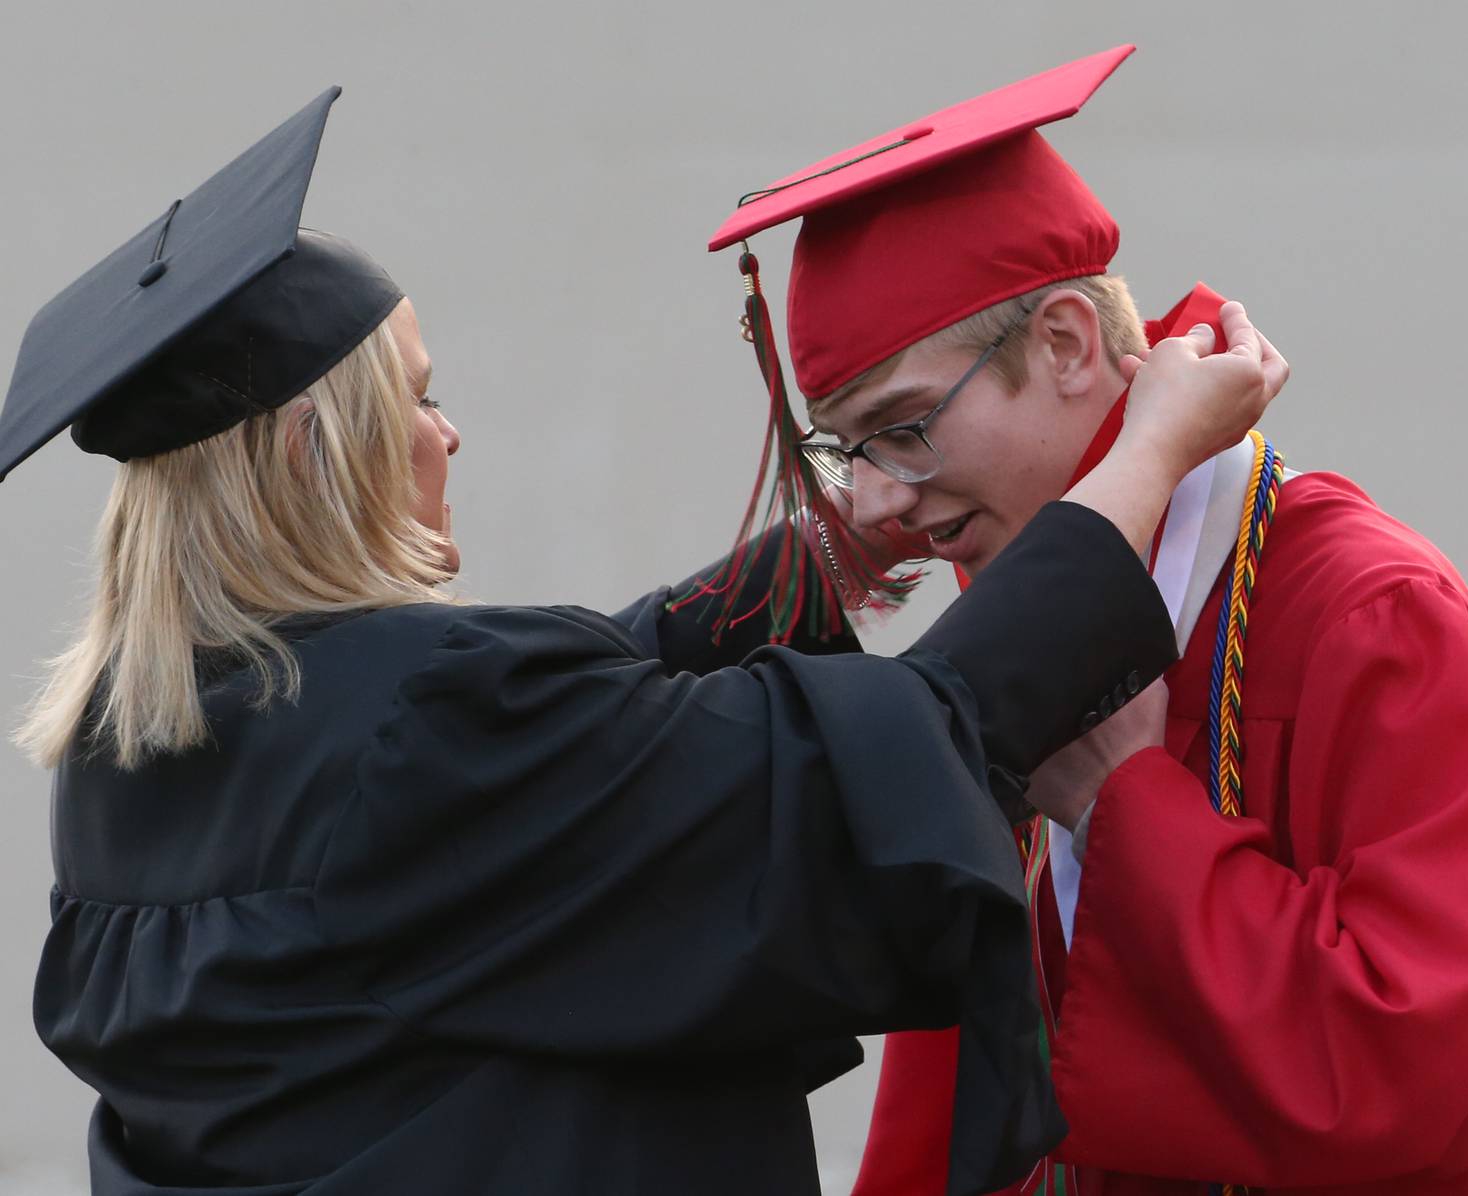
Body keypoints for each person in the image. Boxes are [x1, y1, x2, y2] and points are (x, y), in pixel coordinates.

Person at [0, 90, 1280, 1196]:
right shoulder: (426, 725)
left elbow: (565, 732)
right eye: (421, 397)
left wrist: (828, 550)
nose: (449, 437)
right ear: (312, 455)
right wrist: (1149, 458)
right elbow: (868, 763)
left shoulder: (128, 760)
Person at [703, 44, 1468, 1196]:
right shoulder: (1016, 632)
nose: (876, 496)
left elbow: (1421, 1068)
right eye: (847, 447)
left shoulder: (1368, 615)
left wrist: (1123, 807)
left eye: (906, 426)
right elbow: (953, 1113)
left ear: (1068, 342)